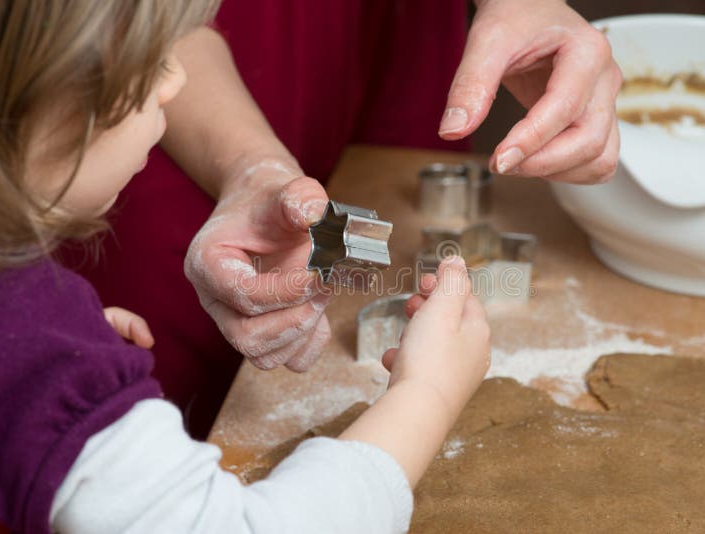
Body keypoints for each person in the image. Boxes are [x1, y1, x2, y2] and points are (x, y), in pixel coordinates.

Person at [0, 2, 490, 532]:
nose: (177, 80)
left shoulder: (20, 323)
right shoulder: (23, 341)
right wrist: (426, 394)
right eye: (151, 61)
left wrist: (55, 345)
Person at [64, 0, 622, 438]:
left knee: (378, 217)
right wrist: (250, 169)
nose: (165, 83)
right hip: (218, 38)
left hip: (393, 26)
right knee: (195, 359)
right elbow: (113, 22)